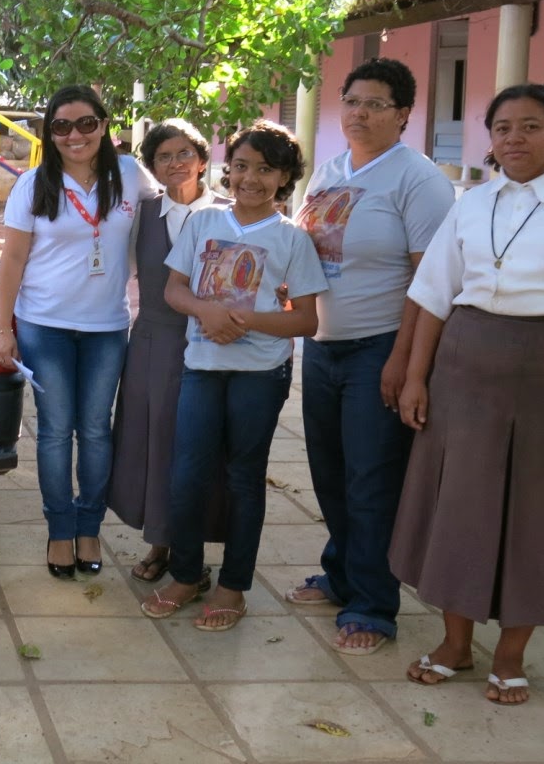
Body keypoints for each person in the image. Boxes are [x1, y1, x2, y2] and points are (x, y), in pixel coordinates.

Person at [391, 83, 544, 706]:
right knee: (459, 506)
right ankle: (454, 644)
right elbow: (433, 295)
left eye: (529, 126)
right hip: (465, 369)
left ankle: (513, 653)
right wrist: (416, 375)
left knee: (540, 512)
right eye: (501, 128)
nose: (513, 139)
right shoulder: (471, 203)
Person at [288, 58, 455, 657]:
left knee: (372, 480)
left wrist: (403, 364)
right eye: (352, 101)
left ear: (403, 114)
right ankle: (342, 573)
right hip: (323, 347)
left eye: (375, 104)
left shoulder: (419, 180)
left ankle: (373, 605)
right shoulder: (330, 171)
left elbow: (430, 282)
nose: (359, 113)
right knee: (331, 472)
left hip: (379, 346)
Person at [141, 120, 328, 630]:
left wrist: (242, 320)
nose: (250, 179)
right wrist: (207, 312)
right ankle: (185, 573)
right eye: (242, 166)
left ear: (285, 177)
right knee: (187, 475)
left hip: (260, 374)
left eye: (266, 170)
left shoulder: (293, 238)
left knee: (244, 478)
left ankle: (234, 586)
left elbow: (307, 320)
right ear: (227, 170)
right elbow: (174, 290)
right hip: (202, 368)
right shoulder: (204, 224)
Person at [0, 86, 149, 578]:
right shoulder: (34, 185)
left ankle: (89, 528)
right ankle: (60, 531)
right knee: (57, 432)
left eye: (86, 123)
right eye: (61, 126)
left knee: (98, 430)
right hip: (45, 327)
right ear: (49, 133)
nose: (75, 135)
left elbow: (177, 211)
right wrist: (3, 328)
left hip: (107, 327)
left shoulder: (129, 176)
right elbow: (12, 259)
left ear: (104, 125)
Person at [110, 118, 229, 586]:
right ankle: (162, 543)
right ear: (153, 167)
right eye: (164, 156)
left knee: (204, 447)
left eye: (184, 154)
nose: (175, 163)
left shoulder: (229, 211)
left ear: (202, 160)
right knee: (154, 441)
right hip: (155, 341)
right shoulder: (142, 214)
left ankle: (193, 545)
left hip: (215, 342)